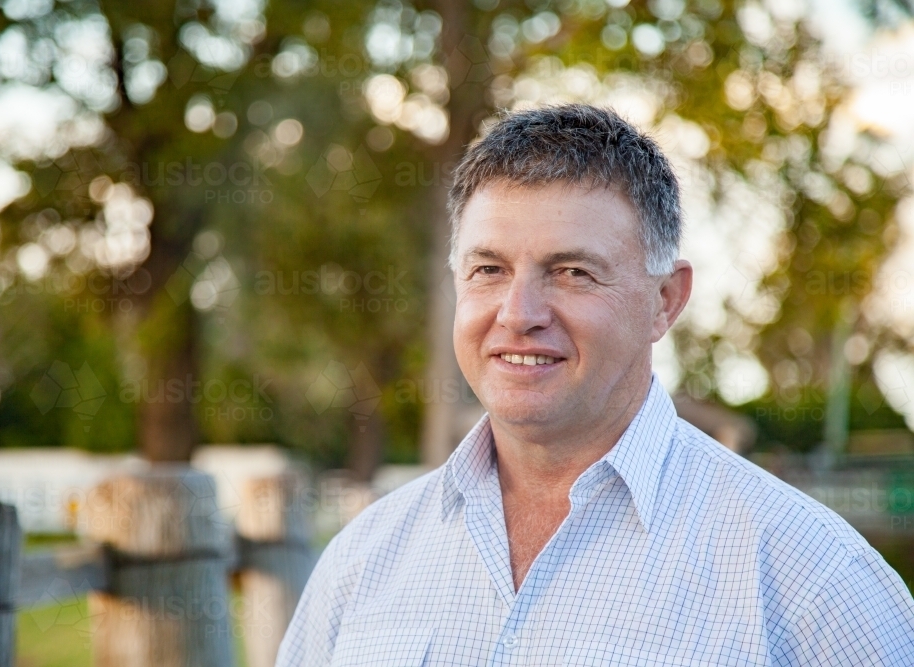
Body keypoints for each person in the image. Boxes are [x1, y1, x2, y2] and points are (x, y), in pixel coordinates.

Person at [275, 105, 914, 666]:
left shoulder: (816, 581)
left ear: (665, 300)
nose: (519, 313)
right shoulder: (362, 560)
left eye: (574, 272)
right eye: (489, 269)